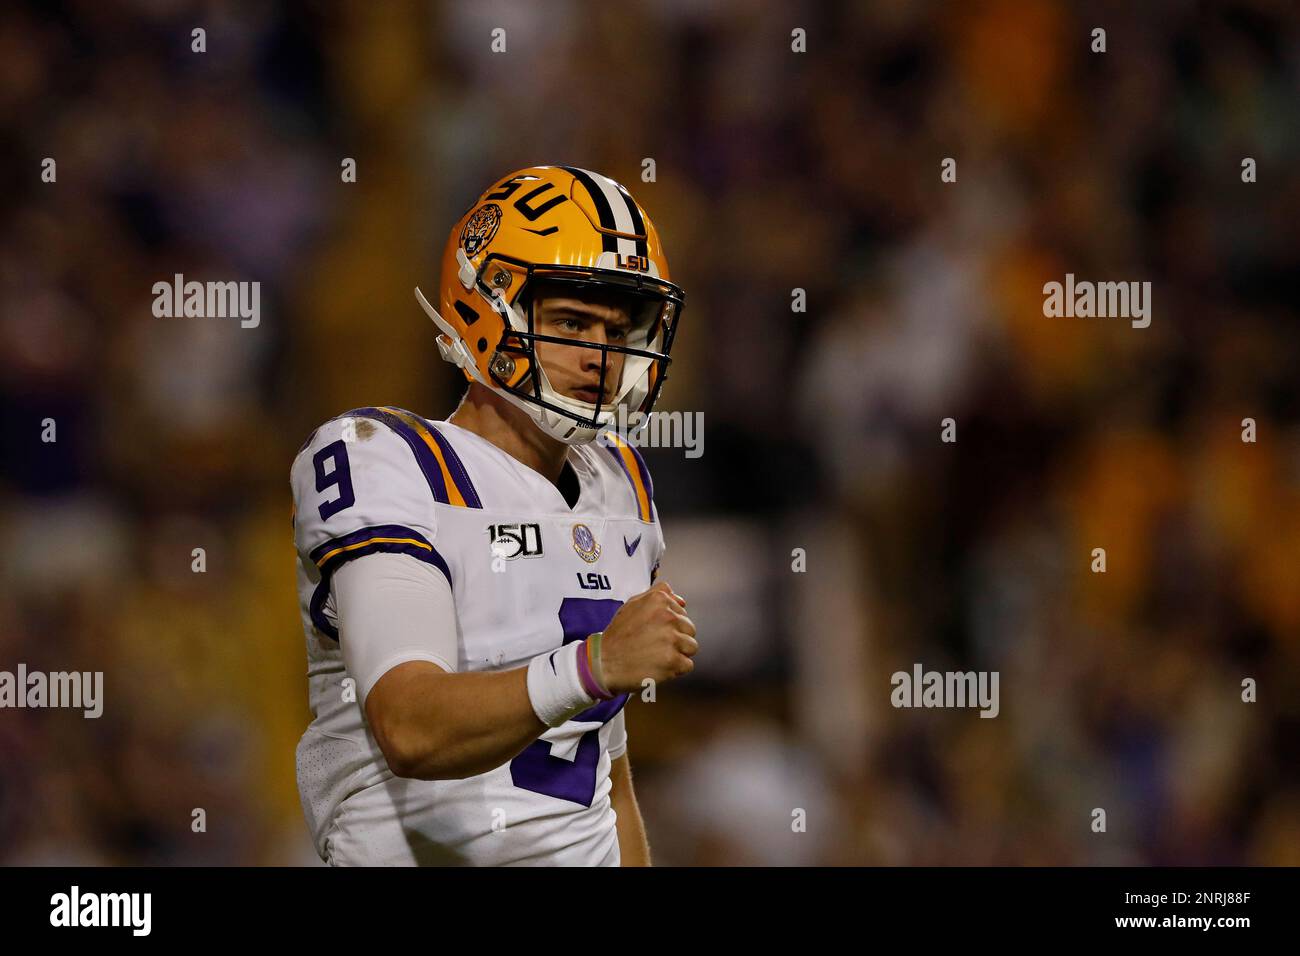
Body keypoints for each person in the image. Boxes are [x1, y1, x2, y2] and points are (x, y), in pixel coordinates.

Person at [290, 166, 696, 865]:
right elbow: (410, 726)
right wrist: (596, 663)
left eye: (618, 327)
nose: (600, 355)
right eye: (572, 321)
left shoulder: (620, 481)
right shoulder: (387, 458)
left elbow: (606, 777)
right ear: (487, 306)